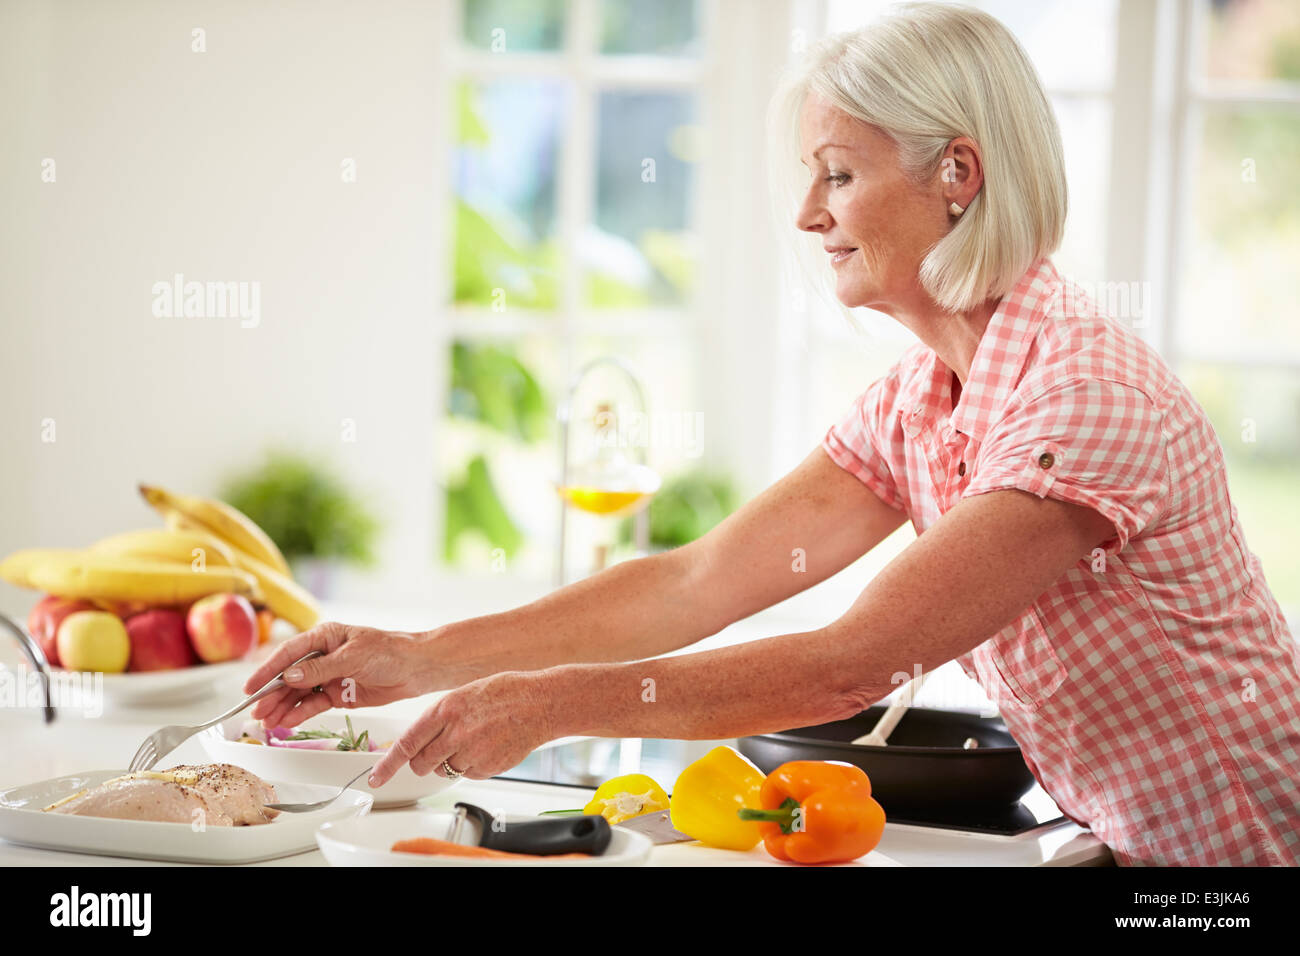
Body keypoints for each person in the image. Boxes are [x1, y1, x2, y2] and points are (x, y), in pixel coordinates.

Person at [243, 3, 1299, 866]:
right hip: (1133, 852)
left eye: (836, 173)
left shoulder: (1081, 393)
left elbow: (852, 665)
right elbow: (697, 579)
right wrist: (418, 655)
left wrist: (546, 704)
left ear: (956, 176)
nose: (806, 213)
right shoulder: (922, 397)